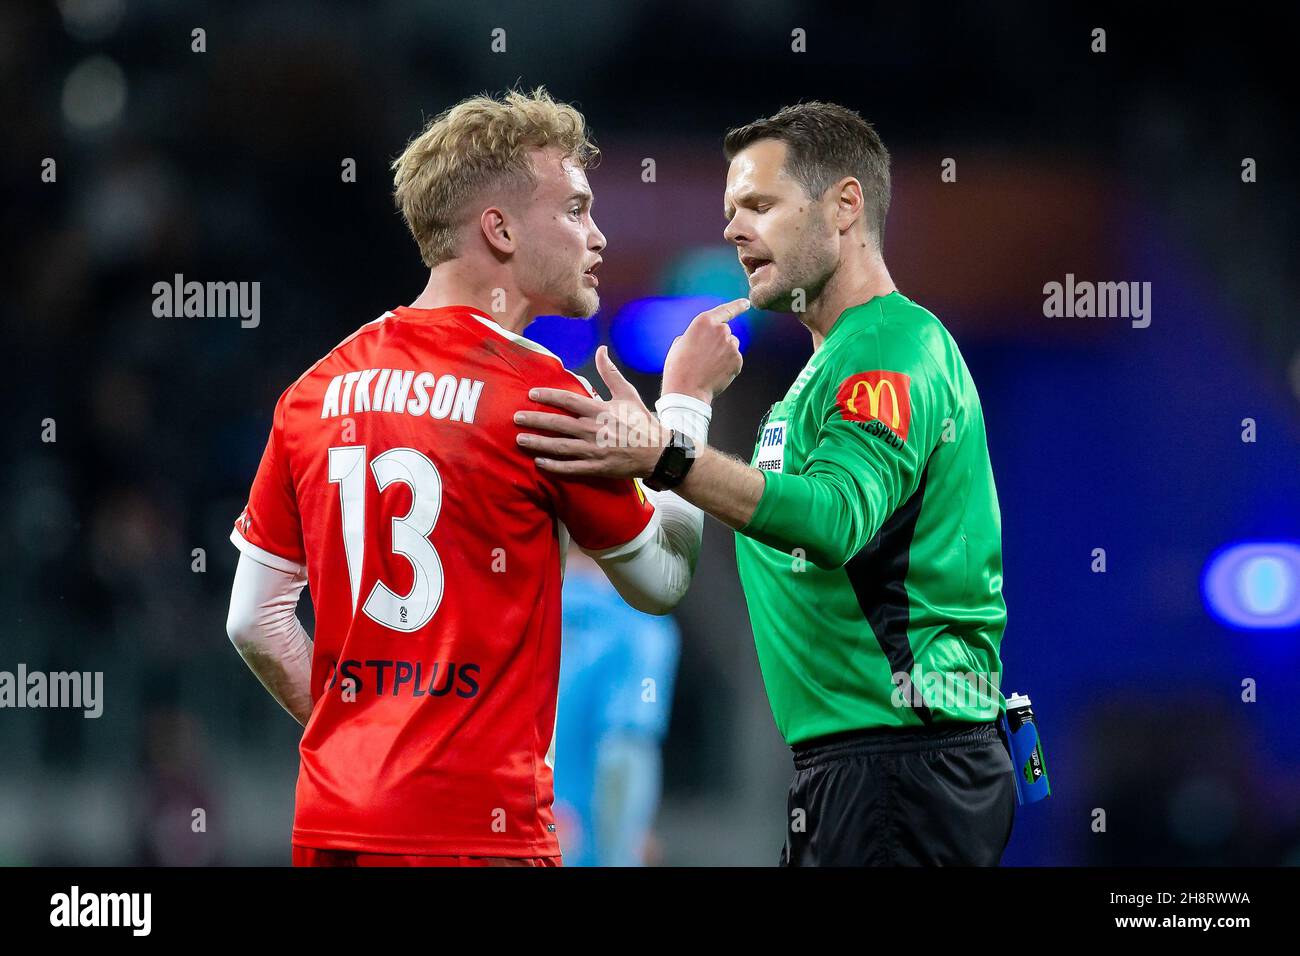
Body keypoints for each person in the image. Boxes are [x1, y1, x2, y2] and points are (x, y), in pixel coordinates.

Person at [223, 88, 741, 866]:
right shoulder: (542, 396)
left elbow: (253, 622)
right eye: (574, 210)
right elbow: (662, 580)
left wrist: (359, 747)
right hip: (480, 833)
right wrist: (687, 407)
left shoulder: (315, 390)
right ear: (497, 229)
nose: (597, 236)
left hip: (336, 827)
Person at [515, 101, 1015, 866]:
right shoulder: (817, 375)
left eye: (758, 204)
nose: (733, 229)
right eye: (729, 211)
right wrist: (682, 415)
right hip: (857, 770)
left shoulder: (891, 347)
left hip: (905, 763)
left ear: (845, 206)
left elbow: (836, 517)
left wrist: (667, 453)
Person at [552, 549, 679, 866]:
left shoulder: (522, 610)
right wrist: (623, 852)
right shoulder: (638, 625)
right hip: (586, 848)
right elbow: (623, 755)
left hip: (516, 840)